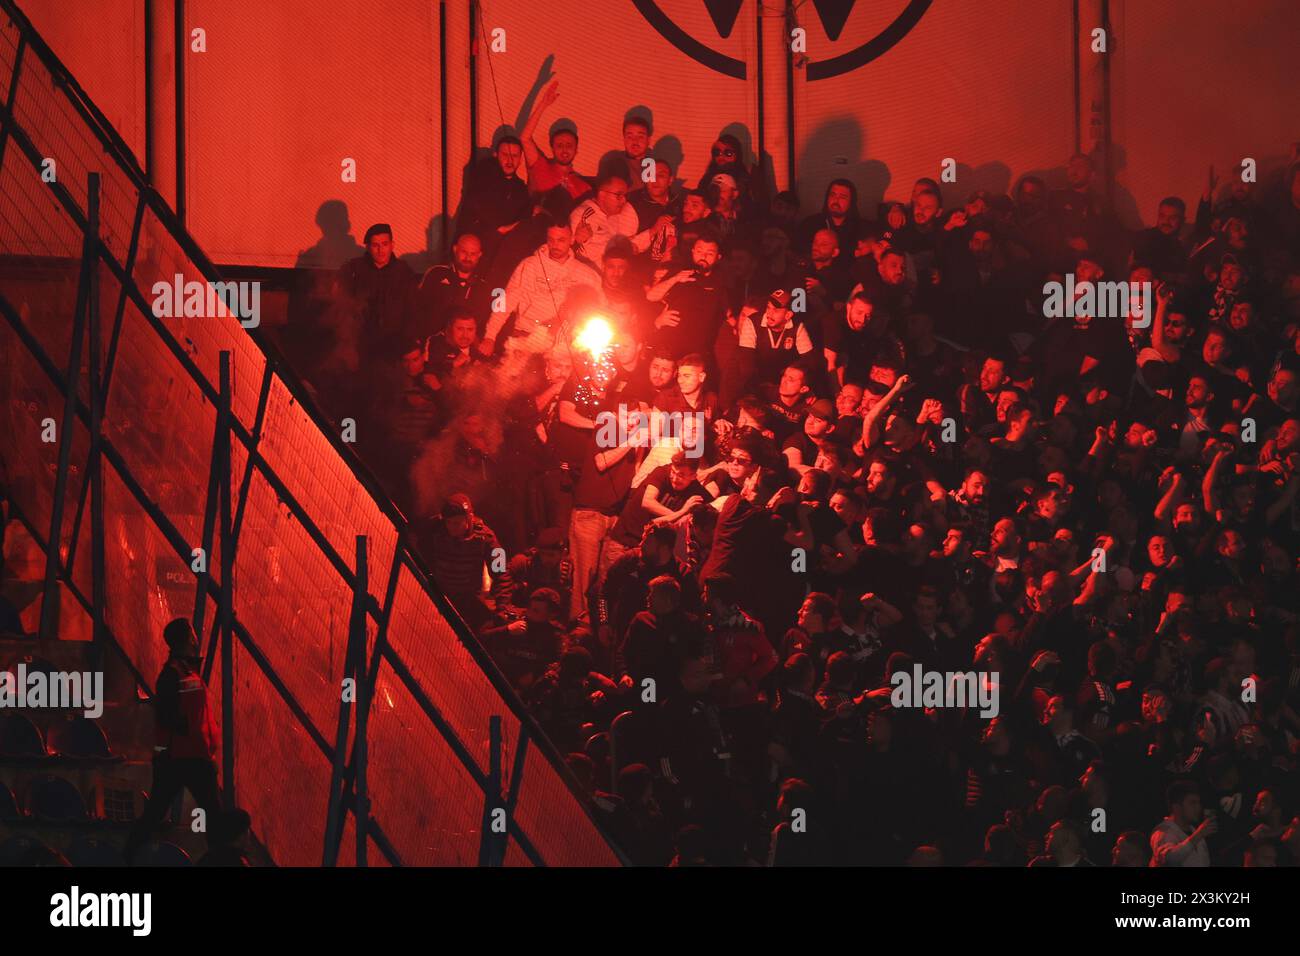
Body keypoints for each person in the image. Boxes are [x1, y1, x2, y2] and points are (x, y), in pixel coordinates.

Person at [125, 618, 222, 863]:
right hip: (182, 757)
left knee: (158, 813)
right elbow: (168, 716)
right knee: (212, 815)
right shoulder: (174, 674)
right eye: (192, 632)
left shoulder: (182, 672)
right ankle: (221, 860)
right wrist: (192, 737)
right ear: (188, 638)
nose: (195, 636)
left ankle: (128, 856)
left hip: (187, 757)